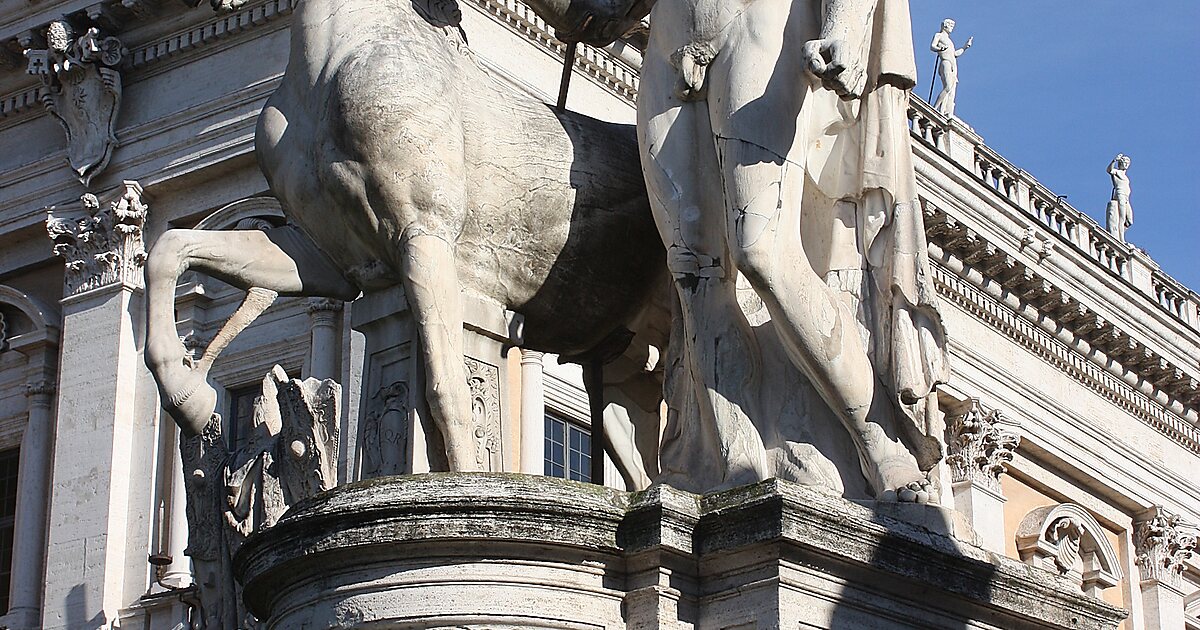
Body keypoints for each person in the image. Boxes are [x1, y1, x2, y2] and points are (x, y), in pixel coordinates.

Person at [561, 0, 948, 501]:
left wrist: (843, 24)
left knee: (761, 254)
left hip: (759, 21)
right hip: (670, 37)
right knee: (694, 272)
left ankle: (881, 445)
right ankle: (735, 462)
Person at [930, 18, 972, 117]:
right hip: (946, 63)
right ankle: (935, 108)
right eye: (951, 25)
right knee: (948, 87)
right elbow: (932, 46)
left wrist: (965, 47)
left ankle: (943, 110)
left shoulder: (950, 41)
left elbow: (955, 54)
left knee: (951, 91)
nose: (952, 28)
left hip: (953, 65)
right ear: (945, 25)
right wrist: (940, 48)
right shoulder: (939, 35)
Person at [1107, 154, 1133, 242]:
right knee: (1121, 219)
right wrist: (1114, 160)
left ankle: (1120, 232)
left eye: (1127, 163)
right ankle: (1121, 239)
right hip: (1120, 194)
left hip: (1126, 198)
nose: (1126, 164)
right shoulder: (1117, 172)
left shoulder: (1126, 177)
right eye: (1124, 162)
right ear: (1120, 163)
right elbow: (1109, 170)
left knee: (1129, 220)